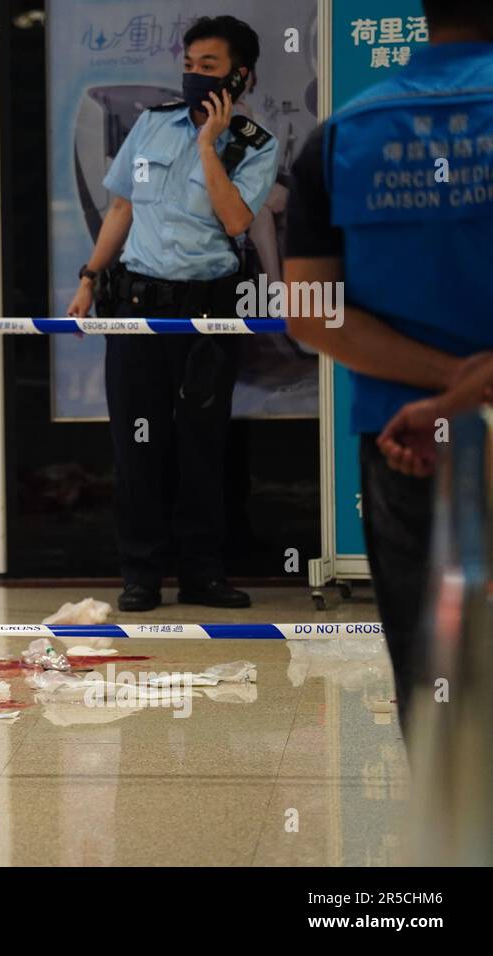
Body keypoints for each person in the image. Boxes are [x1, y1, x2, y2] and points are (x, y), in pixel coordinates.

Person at [283, 0, 493, 733]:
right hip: (424, 431)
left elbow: (311, 312)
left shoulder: (340, 136)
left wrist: (447, 389)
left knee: (438, 683)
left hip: (408, 445)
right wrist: (478, 388)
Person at [67, 15, 278, 612]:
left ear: (242, 75)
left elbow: (237, 221)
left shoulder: (255, 145)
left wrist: (209, 145)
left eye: (208, 67)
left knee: (201, 447)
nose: (193, 76)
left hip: (207, 314)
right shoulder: (151, 126)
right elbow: (121, 209)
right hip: (137, 307)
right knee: (138, 446)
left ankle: (203, 574)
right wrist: (89, 277)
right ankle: (141, 574)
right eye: (188, 66)